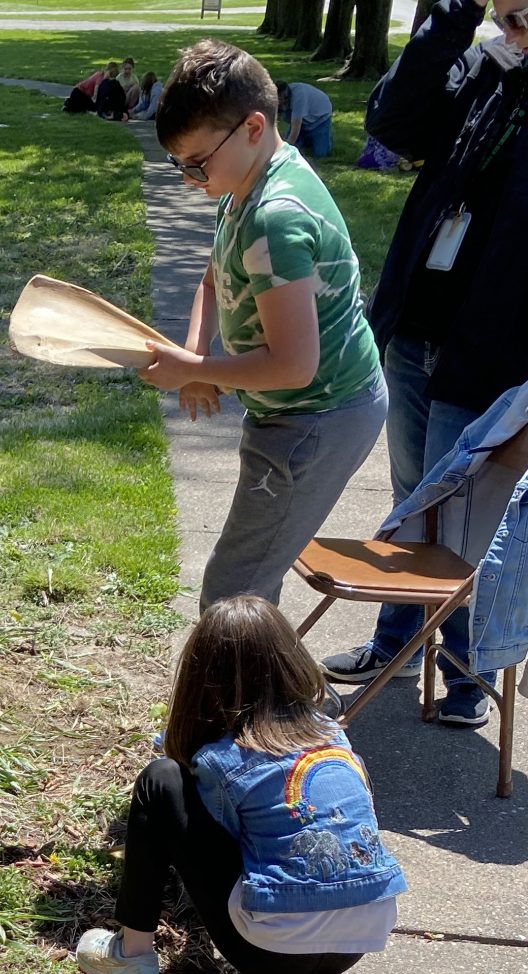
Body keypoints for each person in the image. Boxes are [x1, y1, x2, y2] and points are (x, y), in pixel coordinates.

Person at [321, 0, 528, 730]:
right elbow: (395, 126)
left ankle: (466, 676)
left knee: (458, 518)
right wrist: (450, 21)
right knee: (416, 498)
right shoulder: (487, 64)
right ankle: (402, 644)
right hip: (418, 329)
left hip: (495, 350)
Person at [142, 42, 387, 611]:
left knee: (235, 592)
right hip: (296, 409)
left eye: (196, 164)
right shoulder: (243, 186)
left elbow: (293, 365)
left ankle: (261, 701)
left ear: (253, 126)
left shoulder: (275, 217)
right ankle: (267, 696)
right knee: (247, 580)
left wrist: (198, 371)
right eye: (179, 166)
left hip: (318, 415)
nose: (188, 180)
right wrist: (195, 359)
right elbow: (210, 281)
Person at [74, 596, 406, 974]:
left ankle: (131, 959)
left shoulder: (222, 758)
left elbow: (209, 824)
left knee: (162, 781)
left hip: (267, 953)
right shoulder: (330, 732)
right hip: (353, 947)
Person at [277, 77, 334, 157]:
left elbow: (296, 127)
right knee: (296, 146)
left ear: (284, 95)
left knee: (320, 154)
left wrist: (286, 150)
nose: (278, 103)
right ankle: (306, 140)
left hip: (319, 119)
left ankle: (320, 138)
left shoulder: (298, 97)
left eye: (279, 99)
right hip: (303, 122)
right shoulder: (280, 98)